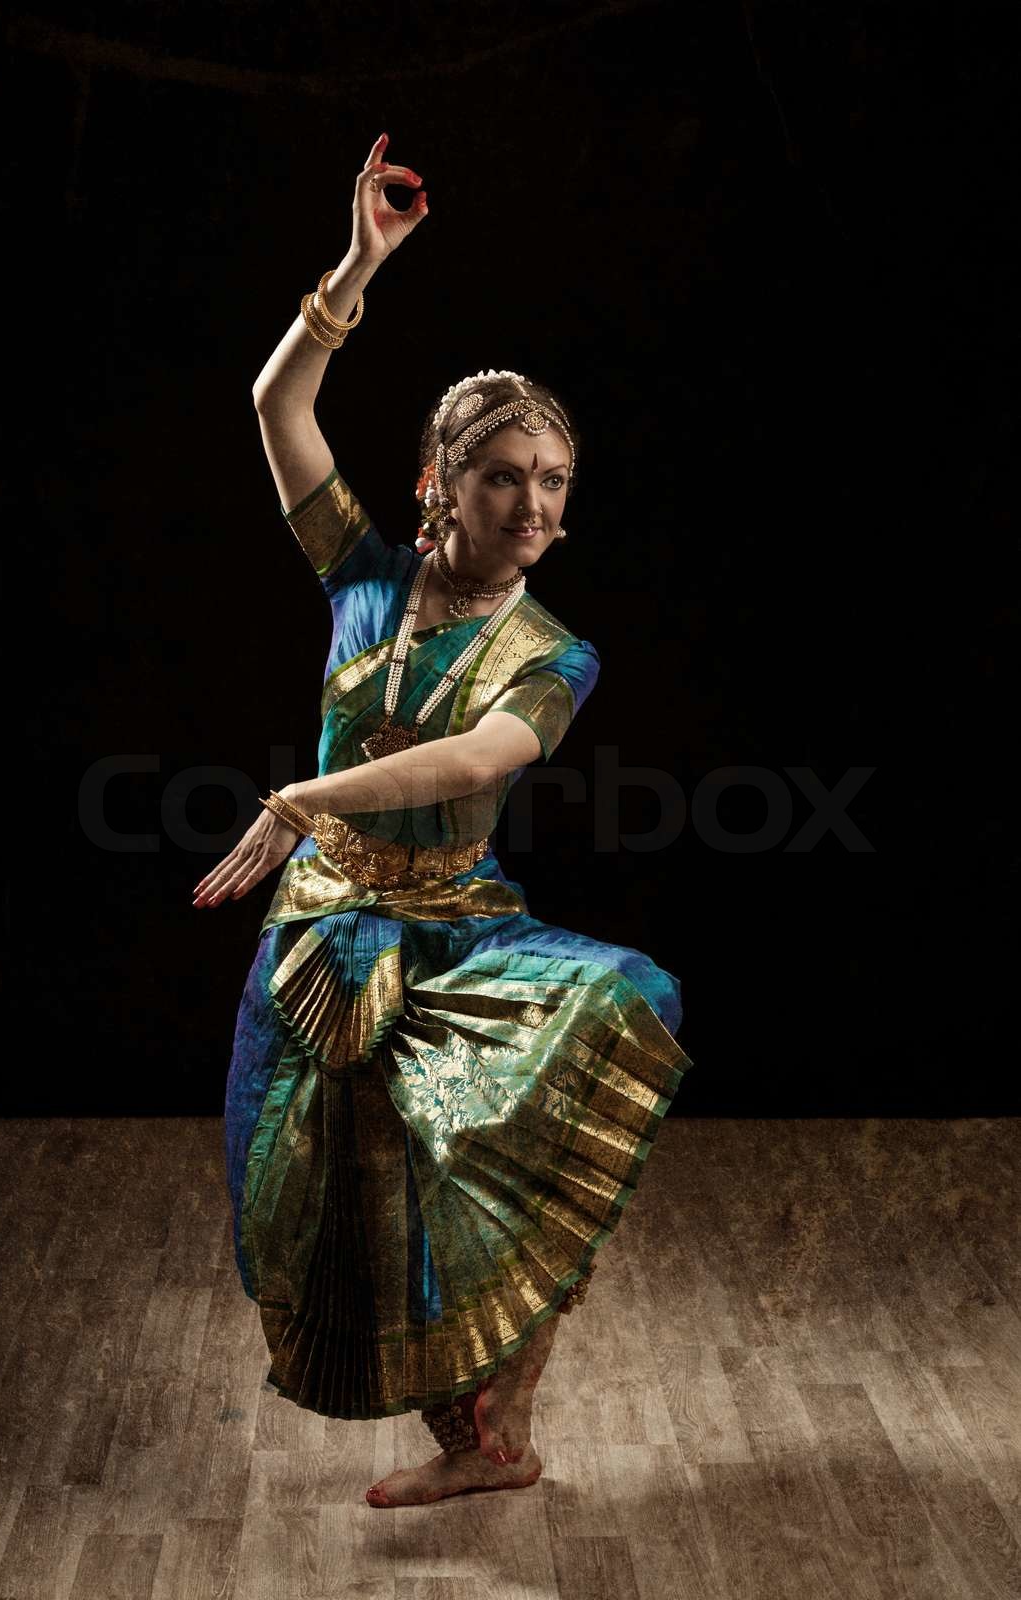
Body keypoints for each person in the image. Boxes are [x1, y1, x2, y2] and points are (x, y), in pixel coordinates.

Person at [194, 132, 694, 1509]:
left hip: (453, 935)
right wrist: (358, 265)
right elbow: (277, 406)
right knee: (317, 1207)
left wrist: (304, 795)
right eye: (505, 476)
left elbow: (475, 755)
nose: (534, 504)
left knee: (507, 1157)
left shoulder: (555, 653)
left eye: (555, 482)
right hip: (317, 937)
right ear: (438, 483)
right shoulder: (361, 576)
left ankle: (500, 1431)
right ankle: (469, 1442)